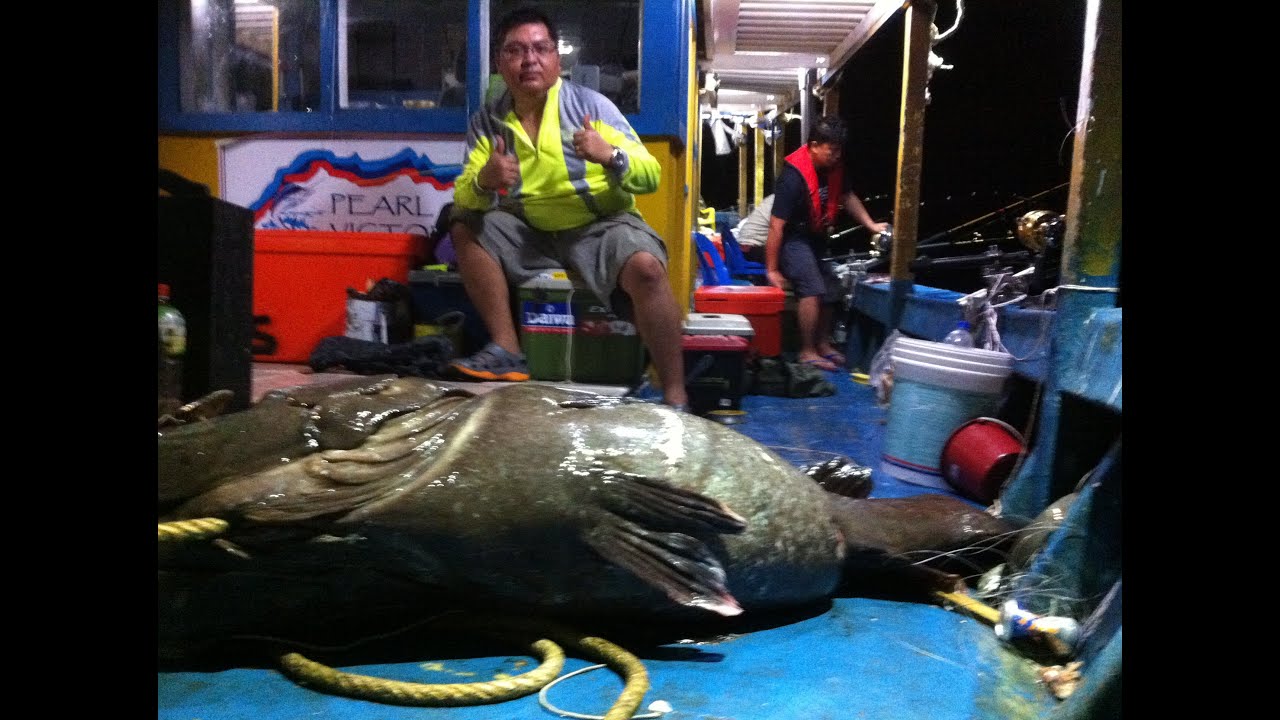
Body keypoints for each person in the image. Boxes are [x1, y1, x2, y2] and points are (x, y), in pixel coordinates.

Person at [448, 5, 688, 409]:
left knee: (647, 268)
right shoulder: (486, 122)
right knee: (462, 221)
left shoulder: (590, 108)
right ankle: (507, 349)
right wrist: (483, 181)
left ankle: (676, 392)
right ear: (499, 62)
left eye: (541, 49)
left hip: (598, 224)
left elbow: (650, 175)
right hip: (529, 229)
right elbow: (464, 195)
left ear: (557, 58)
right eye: (516, 50)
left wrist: (611, 155)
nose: (530, 60)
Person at [764, 116, 888, 371]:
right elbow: (776, 226)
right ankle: (806, 351)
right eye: (831, 150)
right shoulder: (792, 178)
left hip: (814, 238)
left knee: (832, 289)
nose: (836, 155)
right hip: (792, 239)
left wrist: (871, 225)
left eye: (839, 150)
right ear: (813, 145)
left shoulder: (835, 170)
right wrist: (772, 270)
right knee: (812, 287)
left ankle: (823, 344)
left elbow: (848, 196)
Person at [732, 194, 774, 263]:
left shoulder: (773, 198)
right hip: (751, 248)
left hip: (745, 246)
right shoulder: (781, 201)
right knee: (791, 255)